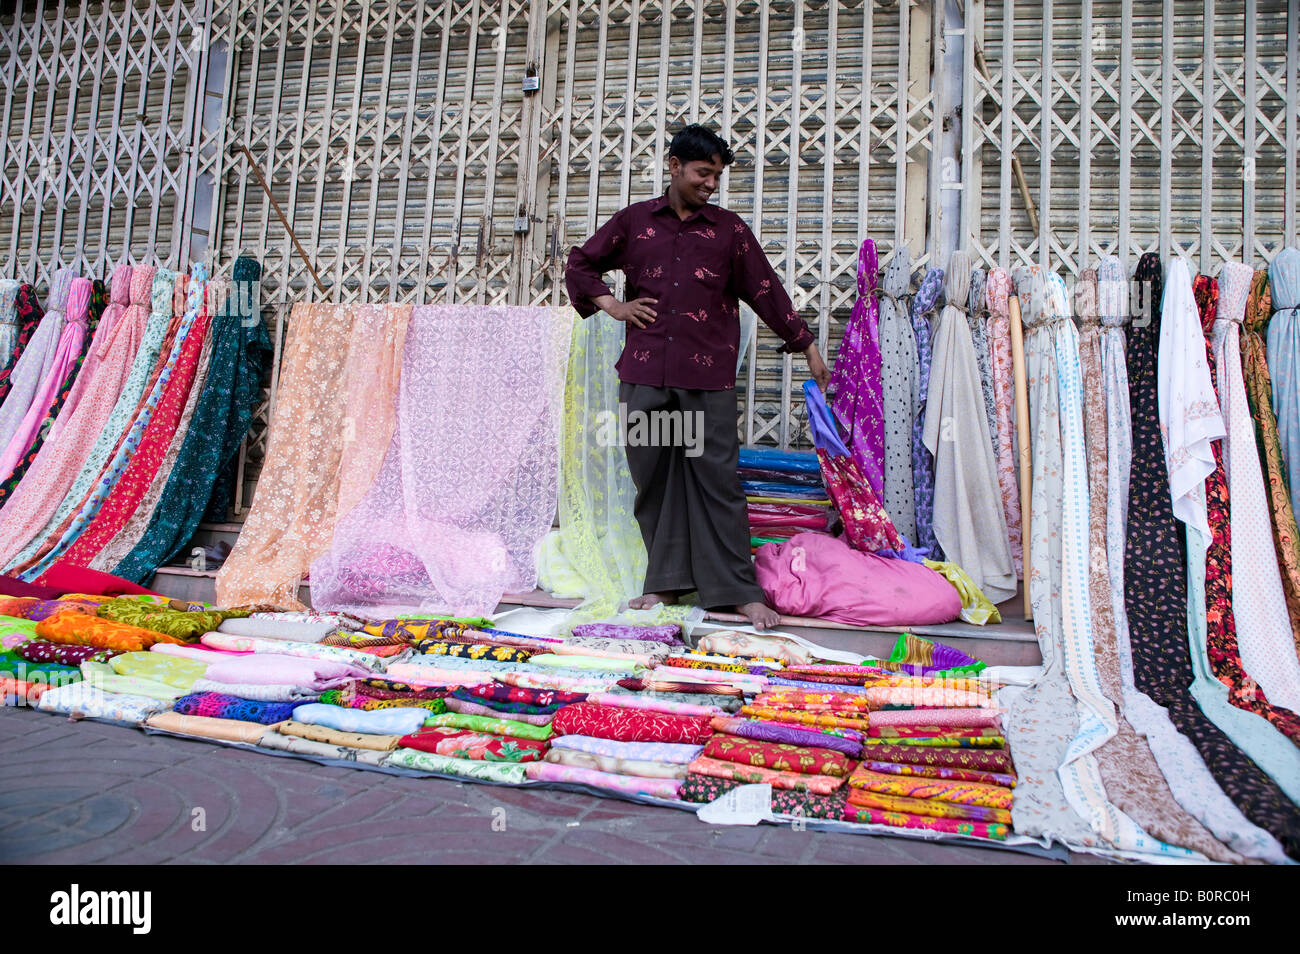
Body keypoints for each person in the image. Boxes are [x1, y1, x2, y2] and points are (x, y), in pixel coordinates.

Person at [565, 123, 830, 630]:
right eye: (702, 174)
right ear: (674, 167)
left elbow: (765, 290)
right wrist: (614, 307)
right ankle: (664, 583)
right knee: (654, 479)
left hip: (706, 381)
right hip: (646, 375)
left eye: (716, 177)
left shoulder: (728, 231)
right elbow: (580, 264)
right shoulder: (635, 223)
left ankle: (736, 592)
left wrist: (807, 346)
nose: (710, 185)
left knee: (716, 482)